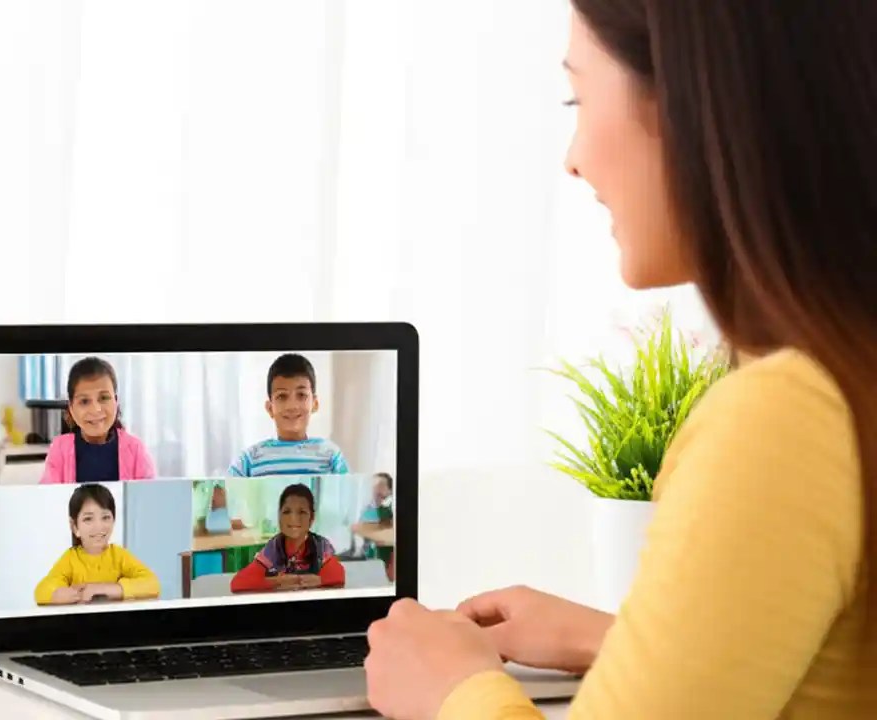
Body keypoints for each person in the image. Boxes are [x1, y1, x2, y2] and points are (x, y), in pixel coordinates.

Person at [364, 2, 877, 718]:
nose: (571, 159)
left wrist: (451, 691)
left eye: (579, 96)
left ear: (689, 104)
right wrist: (625, 642)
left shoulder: (785, 416)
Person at [227, 353, 350, 477]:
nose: (292, 406)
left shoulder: (331, 455)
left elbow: (350, 493)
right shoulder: (249, 460)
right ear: (270, 408)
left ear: (315, 403)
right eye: (282, 396)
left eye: (301, 395)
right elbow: (221, 492)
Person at [35, 484, 161, 605]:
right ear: (74, 526)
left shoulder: (119, 555)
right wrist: (65, 594)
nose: (98, 526)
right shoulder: (70, 559)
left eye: (105, 517)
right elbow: (41, 591)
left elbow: (153, 584)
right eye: (88, 519)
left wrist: (102, 589)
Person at [40, 357, 156, 484]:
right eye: (84, 401)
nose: (96, 409)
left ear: (115, 401)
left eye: (104, 398)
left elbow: (149, 498)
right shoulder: (59, 450)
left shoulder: (136, 450)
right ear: (71, 408)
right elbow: (48, 498)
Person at [230, 483, 345, 593]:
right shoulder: (274, 547)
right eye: (287, 512)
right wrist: (277, 582)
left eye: (302, 512)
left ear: (312, 518)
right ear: (279, 516)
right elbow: (238, 583)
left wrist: (318, 580)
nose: (293, 518)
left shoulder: (320, 545)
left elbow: (339, 576)